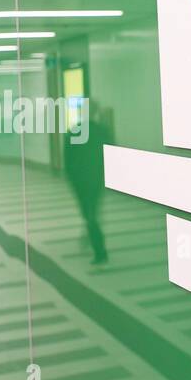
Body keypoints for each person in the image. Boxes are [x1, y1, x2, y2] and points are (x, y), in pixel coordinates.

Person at [64, 105, 113, 266]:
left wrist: (71, 179)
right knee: (91, 212)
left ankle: (100, 252)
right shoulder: (103, 132)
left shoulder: (74, 131)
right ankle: (89, 234)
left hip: (81, 182)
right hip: (98, 180)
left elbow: (68, 160)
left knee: (89, 215)